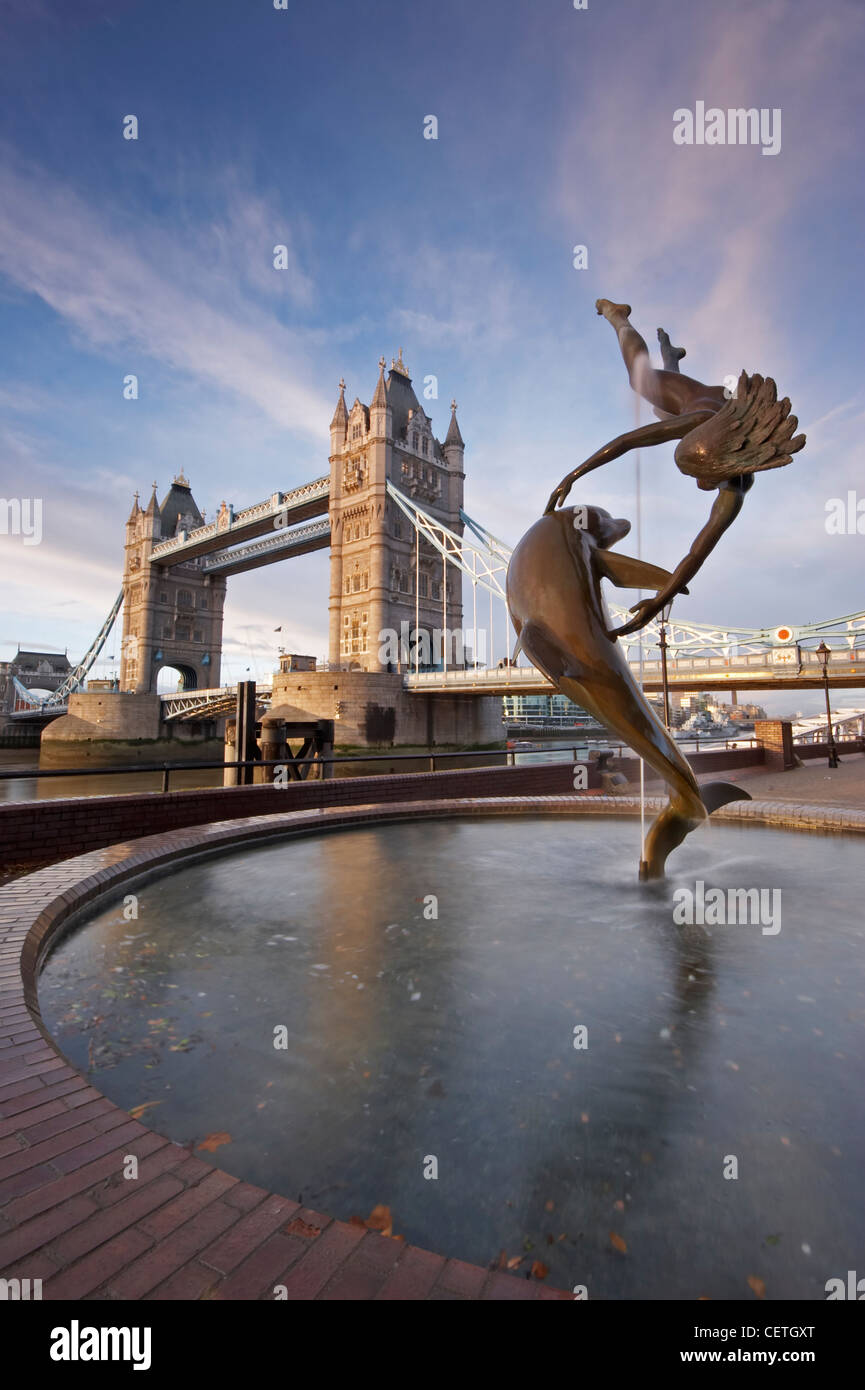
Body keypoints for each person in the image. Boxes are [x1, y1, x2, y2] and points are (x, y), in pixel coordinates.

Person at [546, 300, 806, 637]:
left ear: (719, 474)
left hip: (710, 416)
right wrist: (574, 475)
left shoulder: (735, 488)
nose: (698, 484)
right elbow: (628, 441)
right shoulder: (698, 418)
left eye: (700, 477)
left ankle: (672, 356)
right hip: (702, 398)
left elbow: (697, 551)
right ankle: (619, 318)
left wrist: (660, 600)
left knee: (661, 414)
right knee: (642, 381)